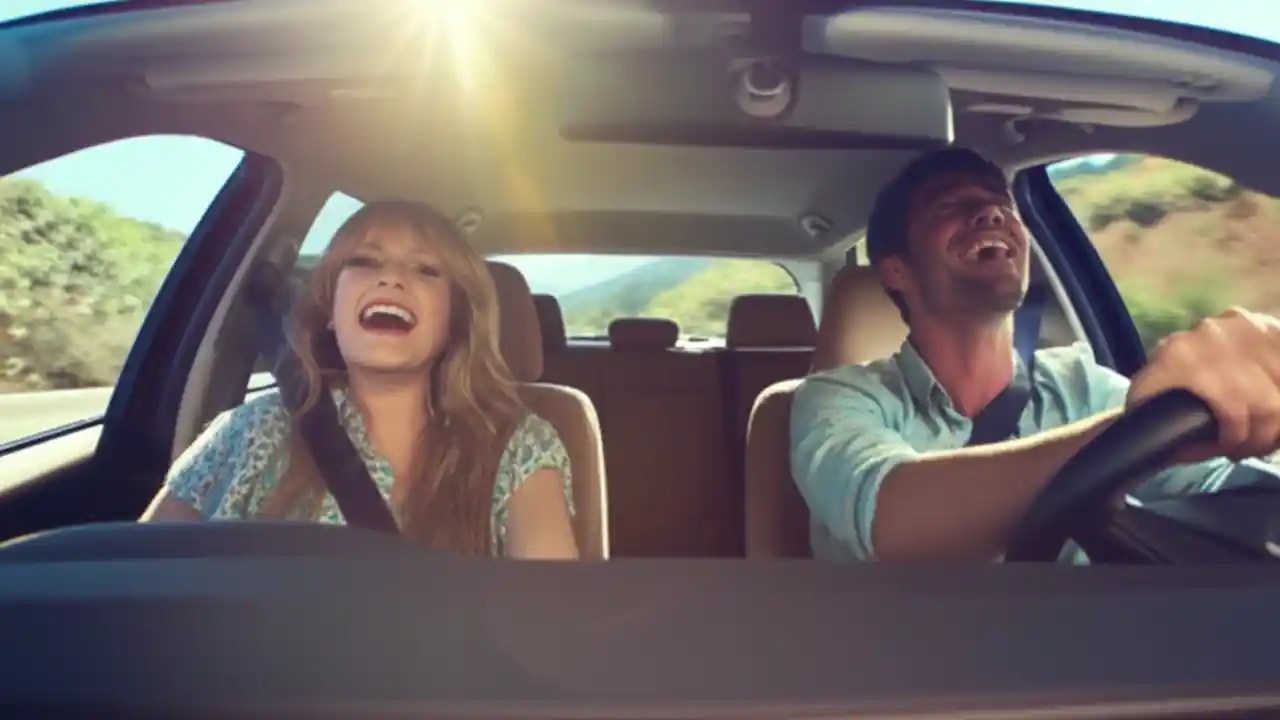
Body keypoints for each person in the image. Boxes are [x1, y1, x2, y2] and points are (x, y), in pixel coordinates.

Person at [790, 148, 1280, 563]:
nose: (991, 213)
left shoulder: (1085, 387)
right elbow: (892, 521)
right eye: (949, 206)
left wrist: (1237, 410)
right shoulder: (836, 400)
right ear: (896, 271)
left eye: (1001, 203)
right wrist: (1134, 424)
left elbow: (1221, 488)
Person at [141, 200, 579, 560]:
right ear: (330, 310)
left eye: (425, 269)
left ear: (455, 319)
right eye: (365, 262)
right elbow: (138, 578)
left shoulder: (515, 445)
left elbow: (546, 612)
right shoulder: (249, 430)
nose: (391, 277)